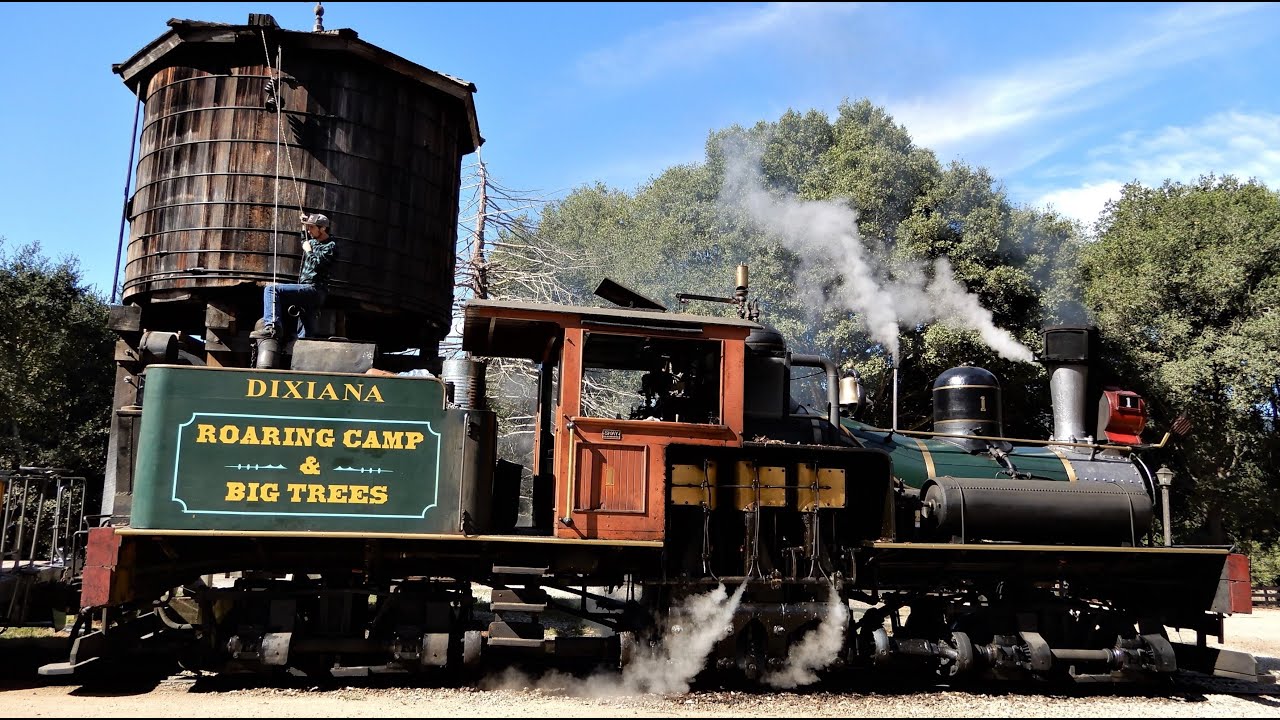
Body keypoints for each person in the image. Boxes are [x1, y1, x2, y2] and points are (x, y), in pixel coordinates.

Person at [250, 212, 336, 340]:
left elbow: (318, 264)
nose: (309, 230)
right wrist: (303, 226)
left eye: (311, 227)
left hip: (314, 289)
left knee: (271, 290)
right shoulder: (313, 241)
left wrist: (308, 250)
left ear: (322, 228)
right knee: (305, 336)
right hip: (309, 292)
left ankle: (272, 327)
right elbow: (304, 240)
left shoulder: (330, 246)